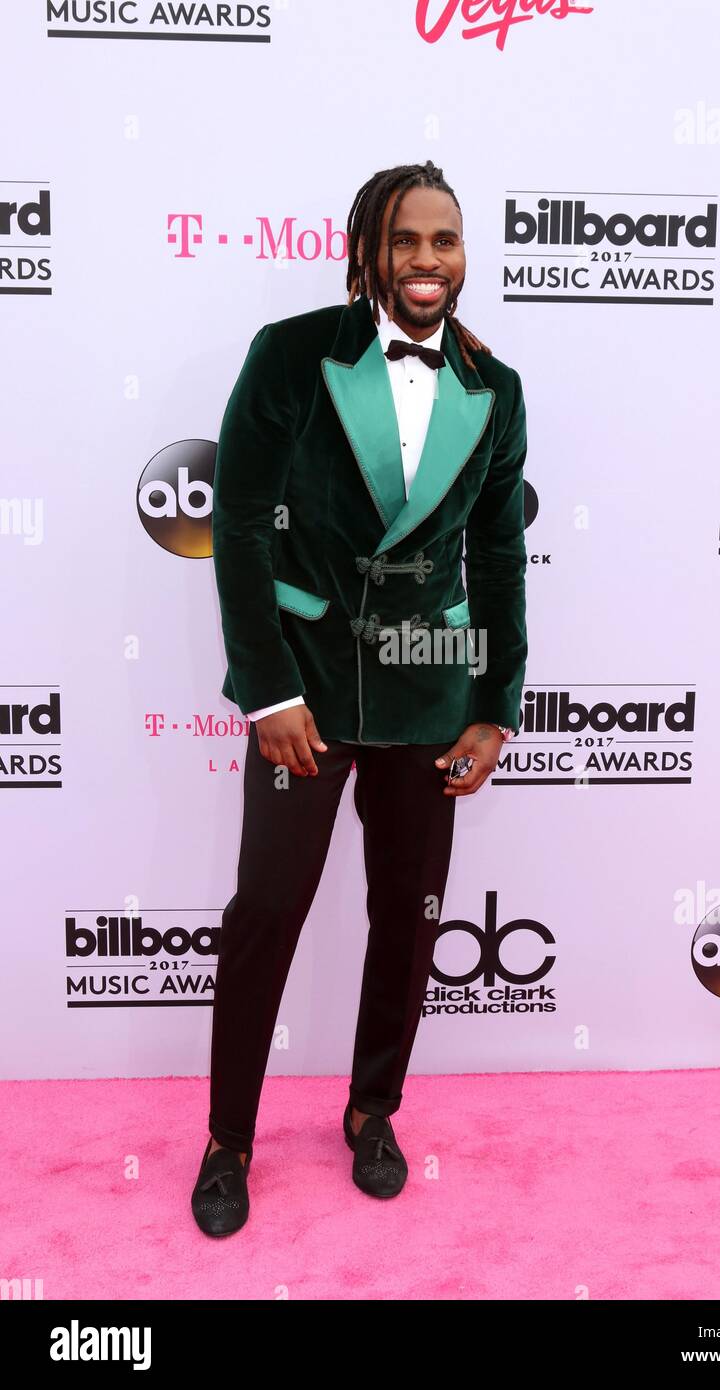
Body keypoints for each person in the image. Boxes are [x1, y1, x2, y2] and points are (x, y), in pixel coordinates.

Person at [191, 160, 528, 1235]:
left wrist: (494, 703)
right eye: (405, 241)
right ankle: (227, 1140)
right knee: (266, 916)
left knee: (407, 921)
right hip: (308, 689)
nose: (426, 260)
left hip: (430, 694)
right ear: (365, 250)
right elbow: (238, 523)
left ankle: (372, 1109)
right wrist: (267, 690)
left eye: (445, 240)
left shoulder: (498, 387)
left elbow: (498, 552)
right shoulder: (292, 355)